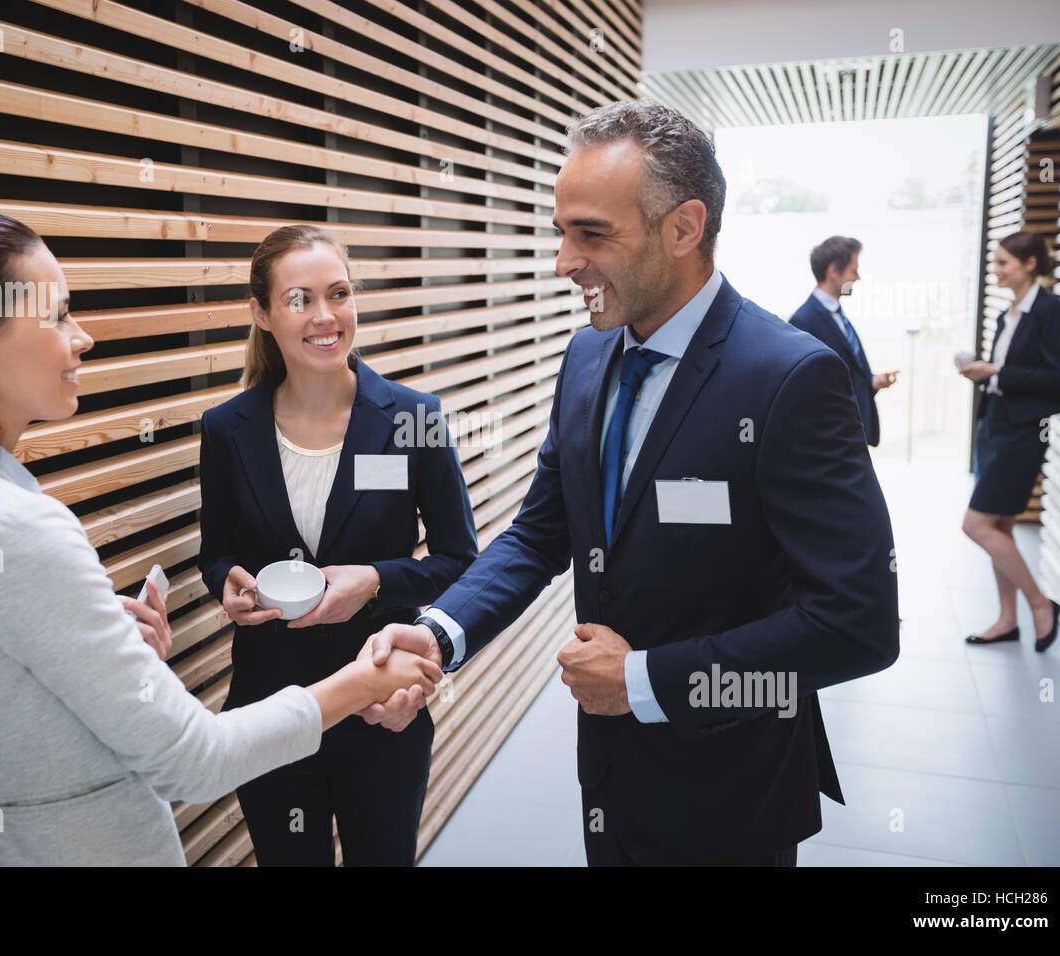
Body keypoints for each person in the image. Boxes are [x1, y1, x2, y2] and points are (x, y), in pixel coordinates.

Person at [0, 206, 441, 866]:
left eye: (339, 293)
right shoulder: (17, 520)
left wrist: (110, 658)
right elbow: (196, 757)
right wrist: (361, 679)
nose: (83, 338)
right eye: (57, 315)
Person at [357, 100, 901, 866]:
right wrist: (440, 631)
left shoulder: (790, 378)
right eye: (561, 233)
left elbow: (860, 624)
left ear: (684, 228)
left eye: (592, 235)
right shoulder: (587, 357)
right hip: (610, 779)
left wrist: (645, 679)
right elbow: (543, 531)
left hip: (732, 795)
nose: (564, 264)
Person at [198, 225, 477, 866]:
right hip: (269, 713)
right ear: (262, 314)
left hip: (381, 709)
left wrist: (376, 581)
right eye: (299, 299)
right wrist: (228, 586)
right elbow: (216, 553)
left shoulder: (414, 421)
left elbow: (460, 561)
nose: (324, 316)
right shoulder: (226, 430)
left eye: (339, 293)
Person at [958, 231, 1060, 652]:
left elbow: (1055, 379)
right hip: (995, 424)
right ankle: (1007, 620)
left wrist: (995, 373)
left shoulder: (1052, 312)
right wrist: (985, 372)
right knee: (999, 525)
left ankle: (1040, 604)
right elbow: (1005, 369)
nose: (997, 270)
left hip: (1023, 432)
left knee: (976, 524)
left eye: (1004, 262)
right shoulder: (1010, 314)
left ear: (1029, 264)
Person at [788, 236, 898, 447]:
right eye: (853, 271)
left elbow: (844, 375)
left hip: (851, 435)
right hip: (830, 440)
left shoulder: (838, 315)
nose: (858, 278)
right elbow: (805, 390)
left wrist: (873, 381)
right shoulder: (803, 321)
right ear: (833, 271)